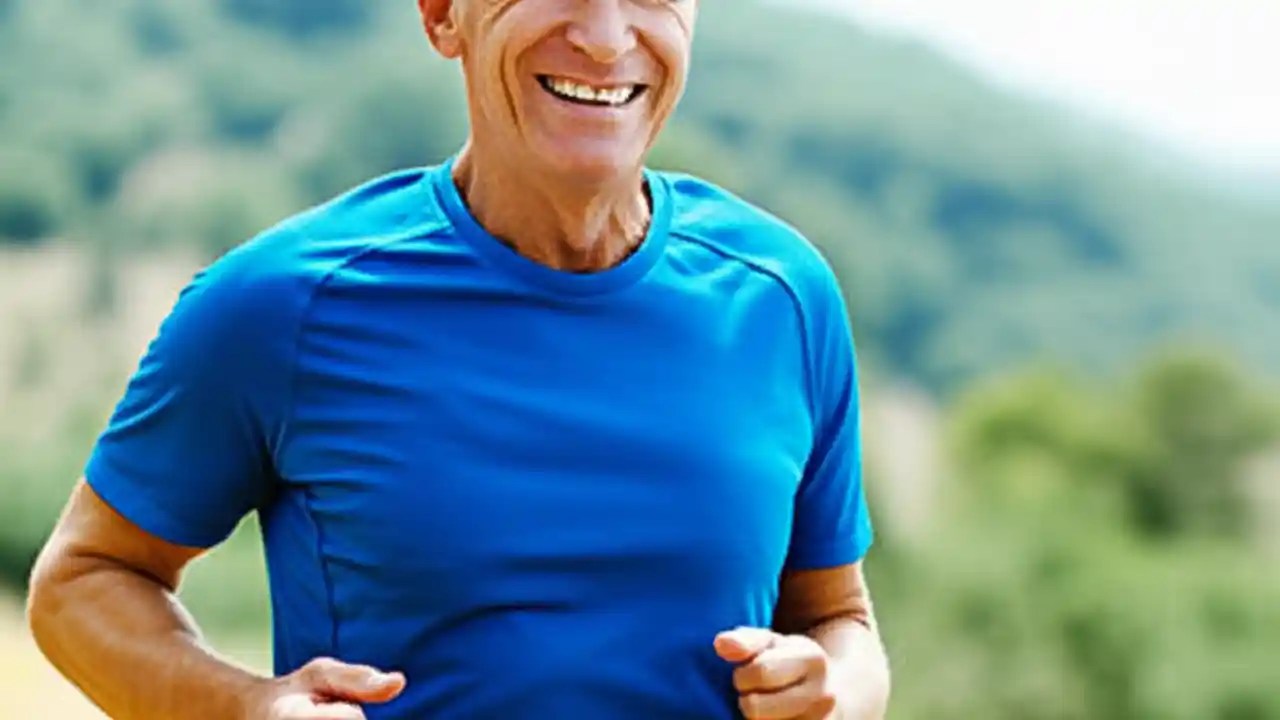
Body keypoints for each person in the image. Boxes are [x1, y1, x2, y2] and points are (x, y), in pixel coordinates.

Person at [26, 0, 891, 718]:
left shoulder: (783, 296)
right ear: (444, 16)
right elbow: (84, 581)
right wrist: (243, 706)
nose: (605, 34)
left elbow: (840, 619)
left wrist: (837, 691)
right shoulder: (285, 302)